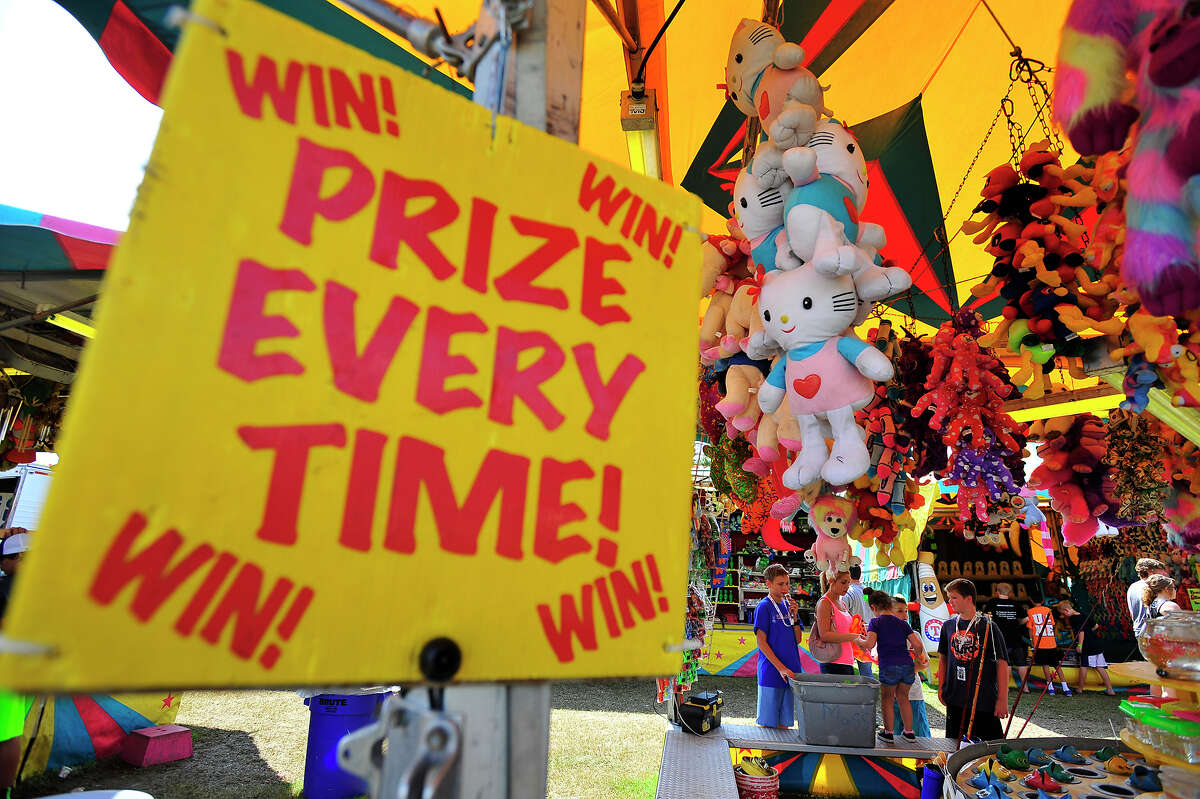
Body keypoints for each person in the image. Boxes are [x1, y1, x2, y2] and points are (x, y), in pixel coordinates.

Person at [937, 578, 1010, 742]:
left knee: (989, 749)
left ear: (968, 598)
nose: (950, 601)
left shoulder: (988, 626)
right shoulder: (948, 626)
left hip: (983, 700)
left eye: (954, 597)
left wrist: (1003, 699)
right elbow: (943, 658)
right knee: (954, 747)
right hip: (955, 699)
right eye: (949, 598)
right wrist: (941, 687)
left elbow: (1002, 663)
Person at [864, 591, 925, 742]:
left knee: (887, 698)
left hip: (889, 666)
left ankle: (889, 732)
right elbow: (917, 644)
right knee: (903, 697)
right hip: (907, 666)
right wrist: (918, 657)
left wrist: (858, 640)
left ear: (873, 607)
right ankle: (909, 732)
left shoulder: (875, 622)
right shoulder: (903, 624)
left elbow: (869, 644)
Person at [754, 563, 806, 728]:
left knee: (784, 725)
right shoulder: (764, 607)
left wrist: (795, 617)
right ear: (768, 584)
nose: (785, 588)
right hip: (772, 671)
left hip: (790, 670)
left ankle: (779, 755)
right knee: (768, 725)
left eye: (787, 583)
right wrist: (780, 668)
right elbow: (761, 642)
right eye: (780, 584)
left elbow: (797, 639)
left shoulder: (788, 605)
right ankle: (766, 754)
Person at [0, 530, 29, 798]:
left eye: (3, 559)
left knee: (5, 735)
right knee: (11, 733)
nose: (0, 564)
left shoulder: (5, 588)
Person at [890, 595, 932, 737]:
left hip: (912, 695)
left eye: (906, 611)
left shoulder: (914, 636)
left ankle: (925, 760)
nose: (905, 615)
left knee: (919, 737)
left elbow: (925, 663)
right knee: (895, 737)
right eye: (900, 611)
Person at [815, 570, 868, 676]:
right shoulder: (825, 603)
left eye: (849, 582)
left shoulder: (842, 603)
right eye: (843, 582)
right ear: (831, 581)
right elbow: (824, 635)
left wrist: (859, 637)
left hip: (846, 661)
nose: (847, 586)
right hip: (833, 662)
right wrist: (854, 637)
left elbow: (843, 632)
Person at [1058, 600, 1115, 696]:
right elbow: (1096, 626)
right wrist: (1089, 632)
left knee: (1083, 665)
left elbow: (1081, 631)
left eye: (1063, 614)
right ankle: (1110, 689)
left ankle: (1080, 688)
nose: (1064, 616)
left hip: (1087, 645)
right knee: (1100, 667)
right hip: (1096, 643)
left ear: (1066, 610)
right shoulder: (1084, 615)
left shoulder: (1074, 618)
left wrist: (1080, 645)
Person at [986, 582, 1029, 692]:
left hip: (1001, 638)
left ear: (997, 591)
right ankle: (1025, 688)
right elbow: (1026, 619)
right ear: (1010, 593)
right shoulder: (1015, 603)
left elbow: (986, 618)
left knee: (1006, 663)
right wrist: (1016, 624)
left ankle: (1006, 687)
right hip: (1015, 636)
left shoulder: (992, 602)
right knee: (1021, 663)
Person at [1026, 596, 1071, 696]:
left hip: (1040, 643)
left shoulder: (1030, 611)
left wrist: (1031, 640)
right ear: (1042, 601)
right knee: (1057, 665)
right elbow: (1052, 624)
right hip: (1051, 642)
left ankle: (1050, 688)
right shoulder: (1048, 610)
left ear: (1031, 601)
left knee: (1045, 665)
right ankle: (1066, 688)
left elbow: (1030, 628)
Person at [843, 565, 874, 678]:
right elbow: (867, 605)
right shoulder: (866, 592)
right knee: (866, 668)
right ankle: (869, 693)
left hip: (853, 634)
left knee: (846, 668)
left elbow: (843, 612)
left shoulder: (848, 592)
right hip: (868, 632)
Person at [1127, 558, 1168, 640]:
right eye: (1160, 571)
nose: (1164, 574)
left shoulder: (1132, 587)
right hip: (1155, 633)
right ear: (1150, 572)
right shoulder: (1152, 587)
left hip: (1139, 631)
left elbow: (1132, 614)